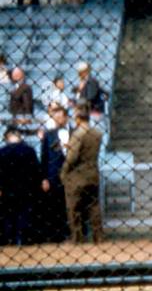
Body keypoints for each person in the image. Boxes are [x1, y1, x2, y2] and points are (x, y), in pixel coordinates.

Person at [60, 105, 103, 244]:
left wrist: (64, 171)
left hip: (77, 176)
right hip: (93, 172)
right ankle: (98, 236)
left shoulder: (78, 134)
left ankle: (77, 237)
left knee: (73, 206)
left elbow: (72, 158)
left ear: (78, 119)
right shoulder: (97, 133)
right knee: (94, 205)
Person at [0, 124, 42, 245]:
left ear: (7, 137)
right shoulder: (29, 151)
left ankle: (9, 239)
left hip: (8, 189)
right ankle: (25, 239)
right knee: (25, 214)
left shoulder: (2, 152)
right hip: (26, 188)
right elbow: (36, 170)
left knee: (8, 215)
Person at [36, 104, 71, 241]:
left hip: (72, 175)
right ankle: (57, 235)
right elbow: (44, 157)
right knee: (55, 206)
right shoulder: (48, 135)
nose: (58, 120)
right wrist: (44, 178)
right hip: (53, 176)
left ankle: (74, 233)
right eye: (55, 118)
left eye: (60, 117)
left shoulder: (76, 133)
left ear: (66, 117)